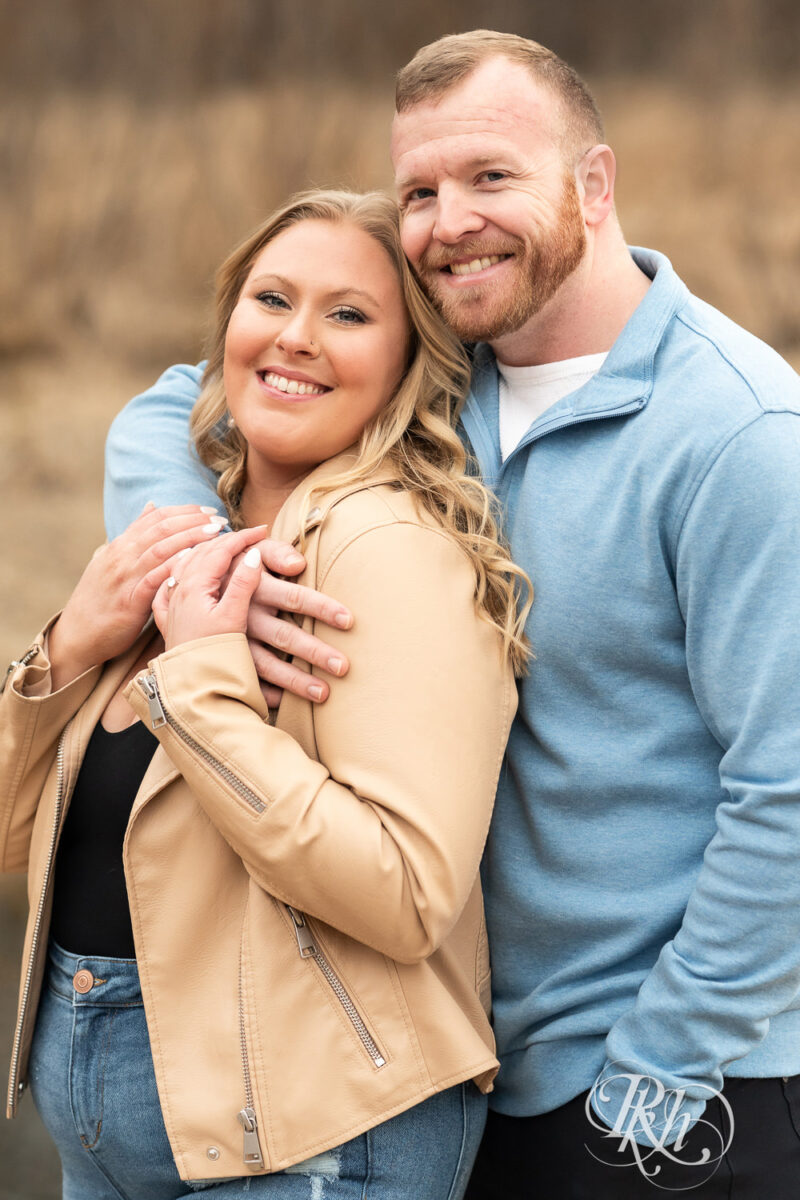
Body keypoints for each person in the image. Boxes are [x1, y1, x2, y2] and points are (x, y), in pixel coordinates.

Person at [99, 30, 800, 1199]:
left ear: (592, 182)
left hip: (663, 1093)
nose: (446, 219)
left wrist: (652, 1079)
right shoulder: (442, 373)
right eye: (417, 190)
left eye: (488, 176)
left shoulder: (737, 440)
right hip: (459, 1071)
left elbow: (785, 796)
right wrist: (209, 556)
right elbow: (176, 400)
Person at [1, 188, 533, 1200]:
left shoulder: (394, 555)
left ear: (410, 360)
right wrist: (75, 640)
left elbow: (405, 893)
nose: (294, 339)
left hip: (318, 1136)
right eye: (270, 298)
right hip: (122, 1133)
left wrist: (201, 691)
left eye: (347, 314)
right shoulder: (173, 545)